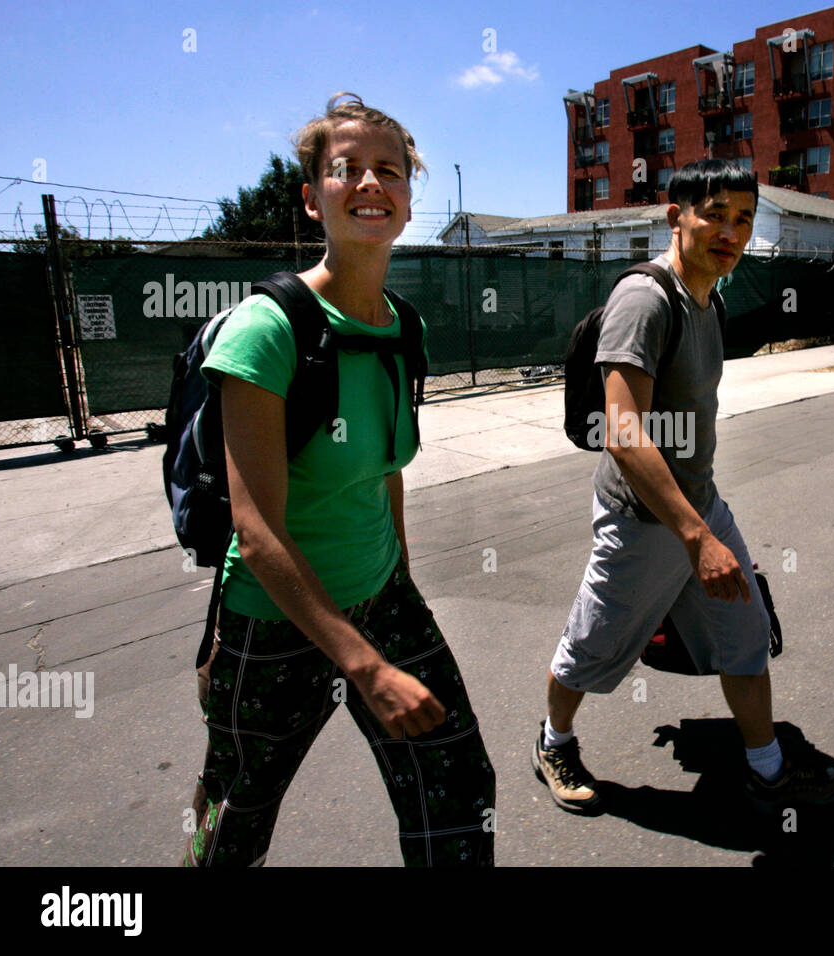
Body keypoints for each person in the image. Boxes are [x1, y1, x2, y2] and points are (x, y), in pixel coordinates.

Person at [182, 93, 494, 866]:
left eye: (388, 170)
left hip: (382, 595)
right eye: (345, 169)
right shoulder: (266, 331)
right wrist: (365, 664)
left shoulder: (403, 325)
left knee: (457, 786)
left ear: (409, 196)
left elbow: (386, 473)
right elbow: (257, 534)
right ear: (312, 197)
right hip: (273, 620)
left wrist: (402, 599)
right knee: (236, 819)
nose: (369, 184)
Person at [532, 159, 834, 814]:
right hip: (644, 520)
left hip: (698, 507)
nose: (730, 231)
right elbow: (623, 432)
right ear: (675, 216)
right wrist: (695, 537)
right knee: (592, 647)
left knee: (744, 632)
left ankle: (765, 769)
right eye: (715, 214)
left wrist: (703, 525)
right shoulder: (645, 300)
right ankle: (553, 741)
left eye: (744, 218)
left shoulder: (710, 297)